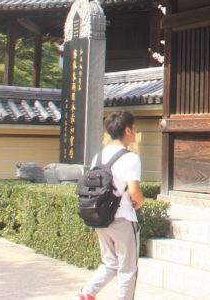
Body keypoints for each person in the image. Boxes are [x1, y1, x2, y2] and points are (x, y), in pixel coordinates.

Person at [77, 110, 144, 300]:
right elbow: (134, 192)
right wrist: (140, 201)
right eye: (134, 129)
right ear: (127, 130)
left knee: (109, 263)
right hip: (123, 218)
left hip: (100, 217)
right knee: (127, 268)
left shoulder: (98, 156)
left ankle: (86, 293)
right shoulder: (131, 158)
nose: (135, 132)